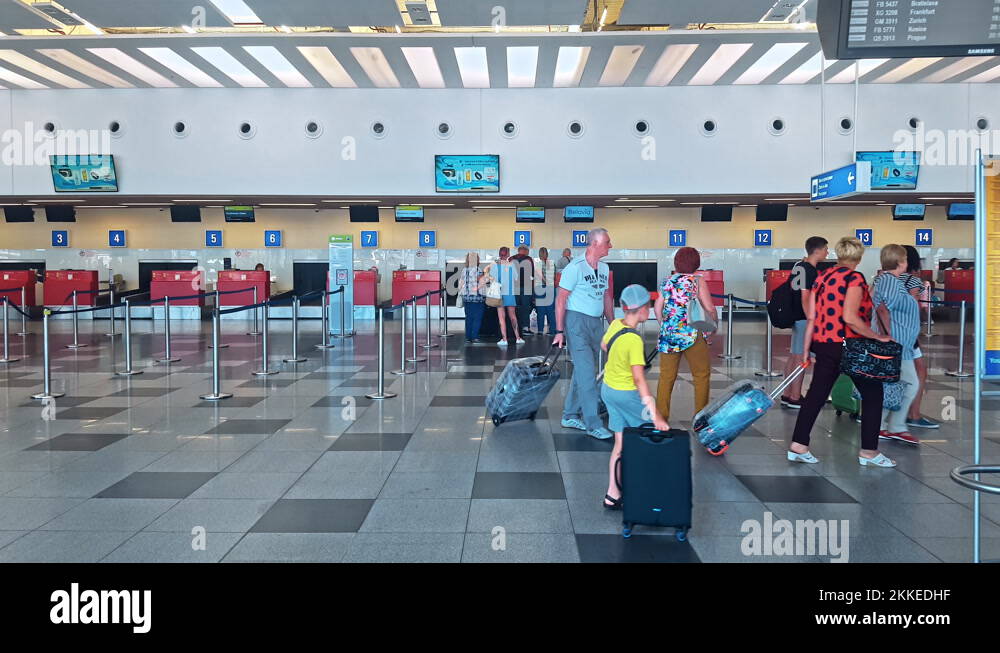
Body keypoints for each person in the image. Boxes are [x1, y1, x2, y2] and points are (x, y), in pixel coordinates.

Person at [788, 236, 896, 468]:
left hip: (823, 344)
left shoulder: (823, 277)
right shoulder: (854, 278)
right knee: (873, 394)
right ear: (858, 257)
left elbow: (812, 317)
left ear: (838, 254)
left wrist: (806, 350)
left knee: (816, 394)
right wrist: (877, 336)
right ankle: (869, 451)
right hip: (849, 345)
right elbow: (850, 318)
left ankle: (799, 445)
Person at [600, 284, 670, 510]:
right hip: (627, 394)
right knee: (650, 438)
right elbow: (639, 380)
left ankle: (613, 493)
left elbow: (604, 345)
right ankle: (648, 492)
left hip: (608, 390)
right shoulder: (634, 340)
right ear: (643, 310)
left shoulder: (614, 324)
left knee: (620, 442)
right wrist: (656, 414)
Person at [553, 228, 614, 440]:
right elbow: (560, 300)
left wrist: (612, 324)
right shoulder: (574, 268)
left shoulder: (605, 268)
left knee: (589, 369)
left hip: (596, 323)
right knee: (587, 372)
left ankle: (570, 414)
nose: (610, 245)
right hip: (576, 322)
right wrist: (559, 331)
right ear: (594, 244)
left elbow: (606, 297)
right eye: (607, 242)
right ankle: (592, 423)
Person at [653, 247, 715, 422]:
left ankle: (661, 418)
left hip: (669, 336)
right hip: (692, 334)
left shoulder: (667, 281)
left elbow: (658, 308)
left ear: (676, 263)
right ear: (697, 263)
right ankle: (700, 418)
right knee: (701, 375)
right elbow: (709, 308)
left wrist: (665, 326)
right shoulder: (697, 281)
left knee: (666, 377)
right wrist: (712, 328)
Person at [872, 245, 922, 446]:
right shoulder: (890, 281)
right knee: (910, 384)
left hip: (902, 344)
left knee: (893, 384)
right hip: (897, 345)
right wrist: (888, 337)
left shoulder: (888, 280)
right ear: (901, 262)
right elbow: (883, 309)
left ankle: (885, 426)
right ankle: (894, 426)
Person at [780, 236, 828, 409]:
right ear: (818, 250)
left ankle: (787, 393)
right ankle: (795, 396)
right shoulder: (810, 270)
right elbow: (805, 296)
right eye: (825, 249)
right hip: (803, 318)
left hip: (795, 316)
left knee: (794, 356)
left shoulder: (798, 266)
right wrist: (812, 319)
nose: (827, 252)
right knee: (801, 357)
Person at [901, 245, 939, 430]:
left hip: (886, 332)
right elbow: (915, 308)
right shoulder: (913, 281)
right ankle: (913, 414)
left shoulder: (884, 279)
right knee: (919, 372)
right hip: (907, 333)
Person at [483, 247, 524, 347]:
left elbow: (490, 279)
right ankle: (518, 338)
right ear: (508, 254)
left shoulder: (495, 265)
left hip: (499, 294)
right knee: (513, 316)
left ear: (499, 253)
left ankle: (504, 339)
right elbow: (516, 279)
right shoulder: (512, 265)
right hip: (510, 293)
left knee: (501, 317)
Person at [458, 252, 485, 343]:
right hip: (477, 298)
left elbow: (461, 284)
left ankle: (468, 337)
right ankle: (475, 336)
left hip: (467, 298)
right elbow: (481, 283)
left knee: (468, 317)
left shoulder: (464, 270)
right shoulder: (478, 270)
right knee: (477, 317)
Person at [511, 245, 535, 335]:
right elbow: (532, 274)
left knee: (515, 308)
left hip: (514, 286)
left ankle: (515, 328)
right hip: (526, 286)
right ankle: (525, 328)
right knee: (525, 307)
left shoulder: (511, 259)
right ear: (525, 251)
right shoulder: (528, 259)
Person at [534, 247, 557, 336]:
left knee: (540, 310)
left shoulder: (537, 264)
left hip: (540, 288)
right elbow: (555, 277)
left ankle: (540, 330)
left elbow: (537, 277)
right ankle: (552, 331)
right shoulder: (552, 263)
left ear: (539, 254)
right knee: (550, 310)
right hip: (550, 288)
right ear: (547, 254)